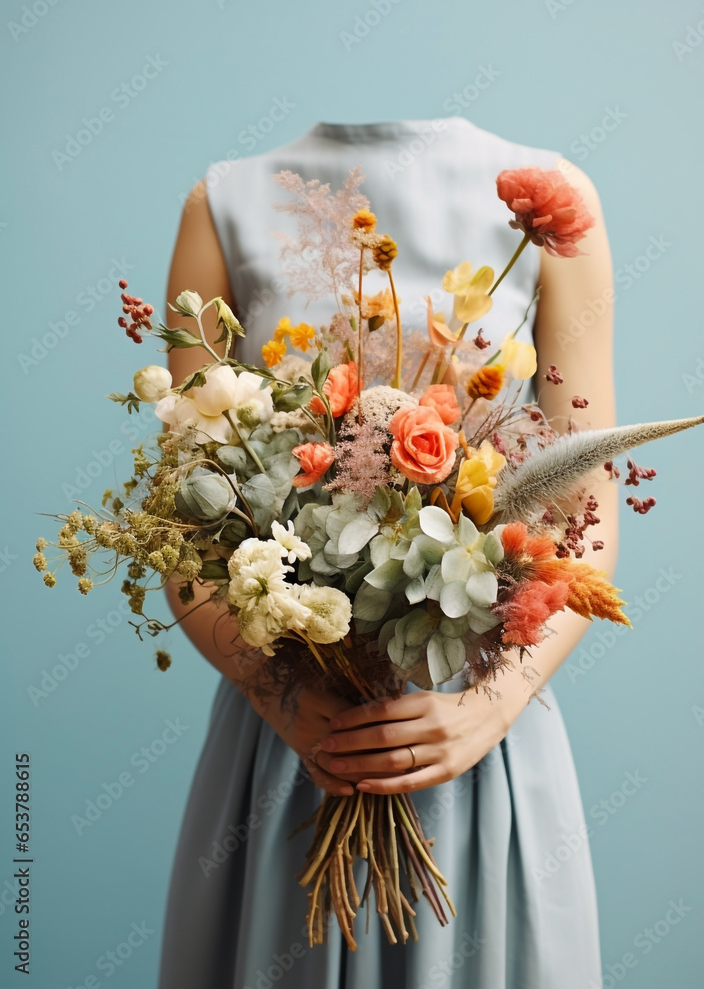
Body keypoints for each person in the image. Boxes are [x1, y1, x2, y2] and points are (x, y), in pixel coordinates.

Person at [157, 117, 617, 988]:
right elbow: (183, 516)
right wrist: (282, 702)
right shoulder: (218, 207)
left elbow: (586, 501)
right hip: (295, 725)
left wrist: (491, 708)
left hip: (477, 721)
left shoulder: (560, 198)